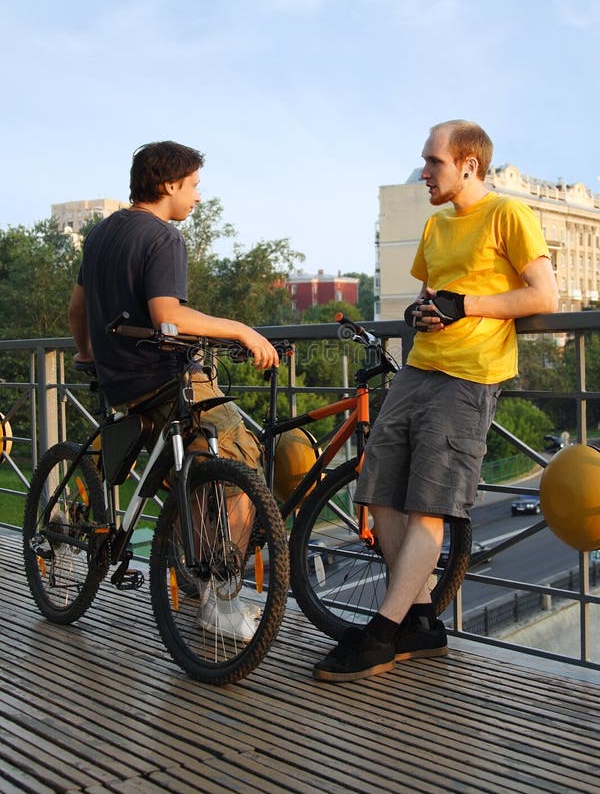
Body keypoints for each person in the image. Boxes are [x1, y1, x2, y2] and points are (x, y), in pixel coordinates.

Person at [313, 119, 558, 682]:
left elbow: (541, 293)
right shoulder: (435, 225)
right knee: (377, 492)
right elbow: (429, 294)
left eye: (433, 162)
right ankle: (422, 620)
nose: (424, 172)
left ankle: (381, 634)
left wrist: (464, 305)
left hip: (469, 379)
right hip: (418, 369)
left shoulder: (508, 215)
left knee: (428, 506)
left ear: (468, 164)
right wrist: (420, 312)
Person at [68, 140, 279, 639]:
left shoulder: (101, 234)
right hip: (164, 381)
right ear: (169, 185)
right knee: (240, 456)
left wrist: (87, 356)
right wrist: (243, 330)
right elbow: (169, 316)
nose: (199, 197)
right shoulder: (163, 238)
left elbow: (78, 310)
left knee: (195, 470)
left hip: (121, 385)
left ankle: (195, 573)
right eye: (195, 186)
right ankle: (221, 600)